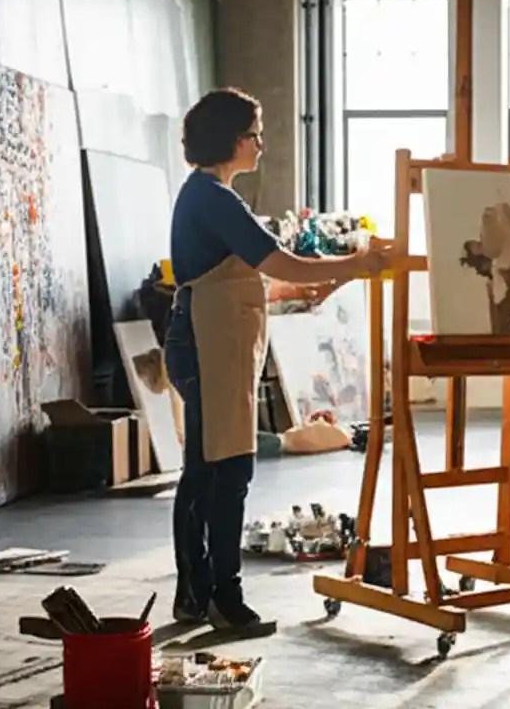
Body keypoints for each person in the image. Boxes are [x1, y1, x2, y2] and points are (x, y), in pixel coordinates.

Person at [165, 87, 388, 630]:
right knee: (226, 473)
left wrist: (318, 283)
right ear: (235, 140)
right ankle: (223, 597)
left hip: (209, 342)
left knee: (204, 474)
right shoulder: (213, 198)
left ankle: (195, 595)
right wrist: (356, 264)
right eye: (257, 135)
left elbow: (254, 278)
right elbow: (282, 262)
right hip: (206, 346)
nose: (262, 146)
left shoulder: (207, 195)